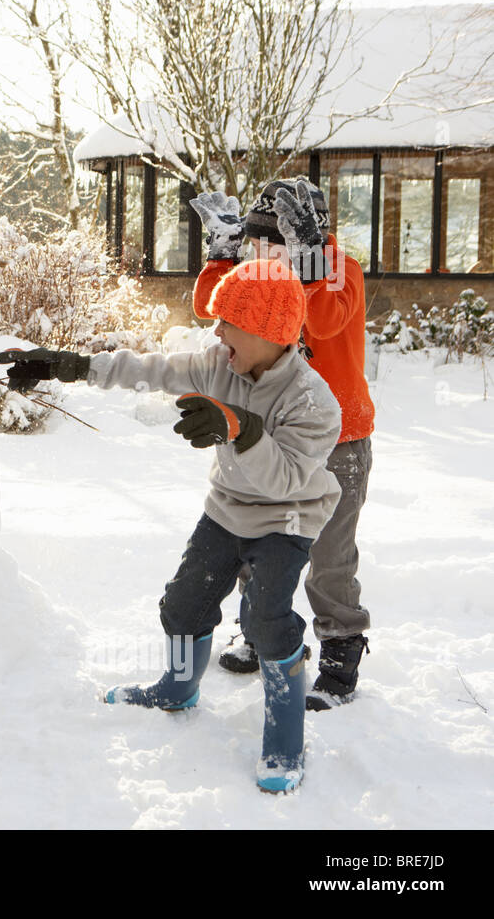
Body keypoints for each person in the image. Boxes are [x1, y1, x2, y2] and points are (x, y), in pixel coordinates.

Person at [0, 258, 342, 793]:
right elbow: (149, 368)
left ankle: (285, 738)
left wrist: (238, 426)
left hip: (288, 518)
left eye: (228, 320)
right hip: (227, 510)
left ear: (268, 331)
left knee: (268, 619)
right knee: (183, 604)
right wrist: (70, 365)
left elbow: (287, 480)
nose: (217, 330)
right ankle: (177, 688)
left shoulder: (313, 400)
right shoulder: (217, 365)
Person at [191, 179, 374, 710]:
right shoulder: (263, 275)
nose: (266, 255)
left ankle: (341, 649)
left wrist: (312, 261)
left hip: (339, 441)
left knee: (330, 554)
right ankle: (258, 630)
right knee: (257, 536)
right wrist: (223, 257)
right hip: (269, 436)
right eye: (257, 244)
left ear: (310, 234)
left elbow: (324, 318)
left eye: (277, 244)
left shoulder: (342, 270)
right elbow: (213, 309)